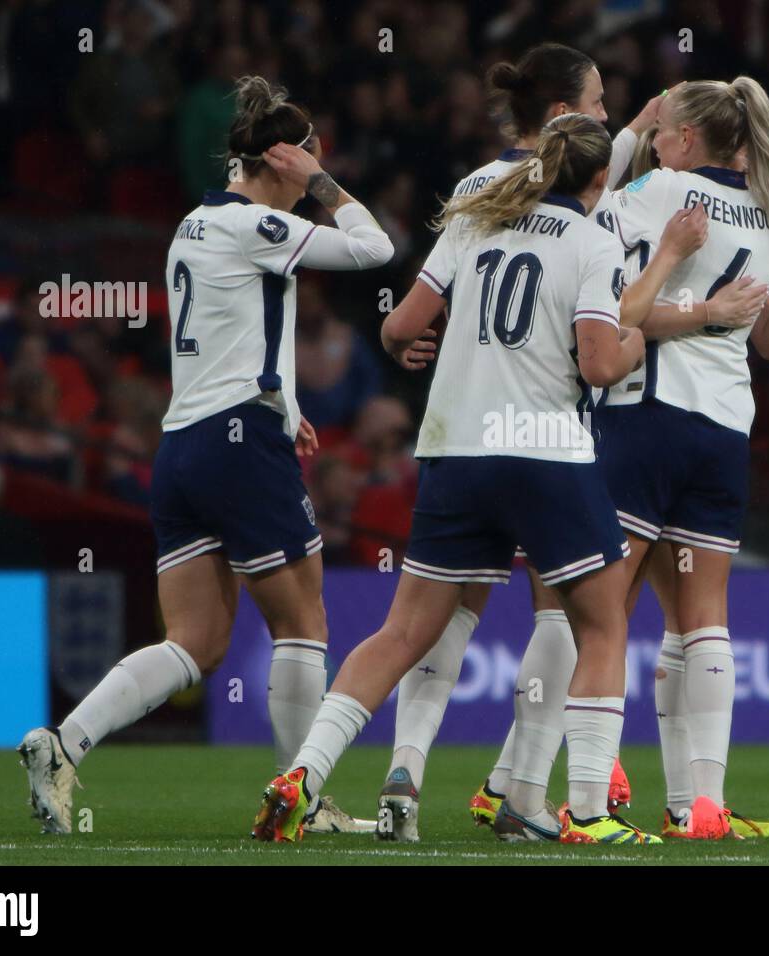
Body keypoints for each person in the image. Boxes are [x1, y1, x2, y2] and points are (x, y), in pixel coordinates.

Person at [374, 42, 756, 841]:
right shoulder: (598, 213)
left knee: (447, 617)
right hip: (557, 437)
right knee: (583, 618)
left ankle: (410, 775)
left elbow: (410, 316)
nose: (615, 118)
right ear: (566, 118)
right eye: (600, 103)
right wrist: (702, 311)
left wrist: (417, 336)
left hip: (464, 433)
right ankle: (548, 795)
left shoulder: (483, 189)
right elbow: (614, 331)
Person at [251, 112, 660, 846]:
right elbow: (599, 365)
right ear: (599, 181)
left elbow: (401, 326)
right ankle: (591, 813)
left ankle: (303, 776)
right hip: (543, 451)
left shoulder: (475, 220)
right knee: (601, 622)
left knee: (402, 630)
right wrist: (639, 339)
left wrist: (416, 348)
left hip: (455, 448)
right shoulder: (595, 241)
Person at [17, 76, 393, 835]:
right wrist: (320, 183)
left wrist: (285, 404)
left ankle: (64, 743)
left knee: (193, 642)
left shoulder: (194, 223)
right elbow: (376, 247)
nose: (317, 168)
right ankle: (302, 803)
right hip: (238, 442)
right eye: (311, 155)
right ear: (284, 159)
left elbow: (236, 324)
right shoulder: (254, 223)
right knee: (304, 624)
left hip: (185, 444)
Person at [595, 77, 769, 838]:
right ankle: (701, 803)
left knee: (600, 611)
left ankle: (579, 785)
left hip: (648, 415)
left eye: (663, 130)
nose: (655, 141)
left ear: (686, 140)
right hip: (726, 430)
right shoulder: (767, 216)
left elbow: (582, 205)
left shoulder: (662, 188)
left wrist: (628, 132)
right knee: (701, 621)